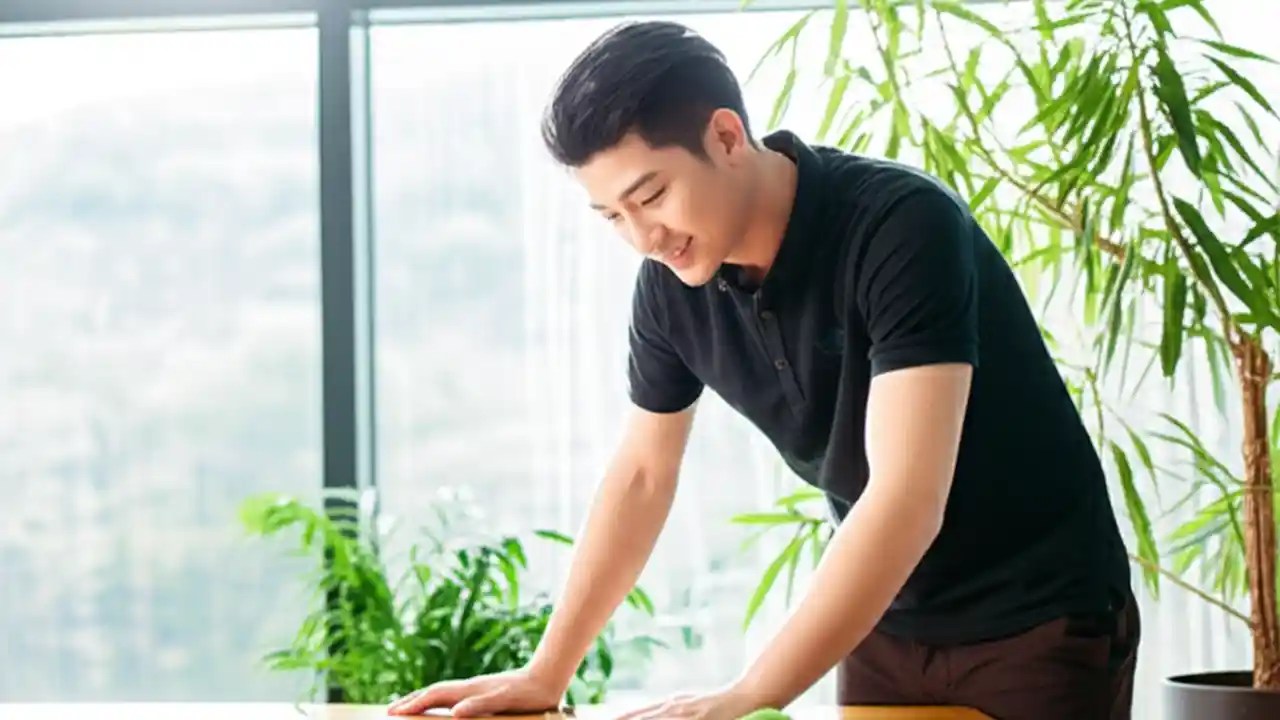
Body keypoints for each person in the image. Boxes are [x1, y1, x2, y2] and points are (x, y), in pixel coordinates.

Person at [388, 20, 1139, 720]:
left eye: (652, 195)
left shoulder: (902, 226)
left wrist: (750, 695)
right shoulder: (670, 289)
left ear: (726, 136)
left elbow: (908, 497)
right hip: (883, 622)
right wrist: (548, 673)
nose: (644, 237)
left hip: (1039, 618)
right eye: (614, 216)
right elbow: (644, 475)